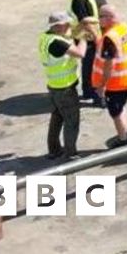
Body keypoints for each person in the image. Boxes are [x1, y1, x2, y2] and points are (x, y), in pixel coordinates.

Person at [39, 12, 86, 160]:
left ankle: (54, 150)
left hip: (53, 86)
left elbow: (67, 37)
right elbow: (80, 53)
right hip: (65, 89)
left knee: (57, 118)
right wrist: (83, 38)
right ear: (58, 27)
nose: (68, 27)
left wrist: (73, 30)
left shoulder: (45, 37)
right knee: (72, 121)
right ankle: (70, 154)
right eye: (66, 25)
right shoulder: (57, 43)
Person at [92, 5, 127, 148]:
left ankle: (123, 139)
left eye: (100, 16)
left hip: (115, 83)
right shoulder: (124, 27)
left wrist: (101, 86)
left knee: (115, 111)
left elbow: (108, 65)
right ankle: (126, 131)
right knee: (121, 106)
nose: (98, 19)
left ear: (108, 18)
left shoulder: (110, 38)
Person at [68, 0, 106, 107]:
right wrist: (97, 38)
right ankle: (95, 95)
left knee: (90, 64)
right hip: (88, 36)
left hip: (94, 34)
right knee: (94, 65)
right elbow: (85, 20)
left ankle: (88, 90)